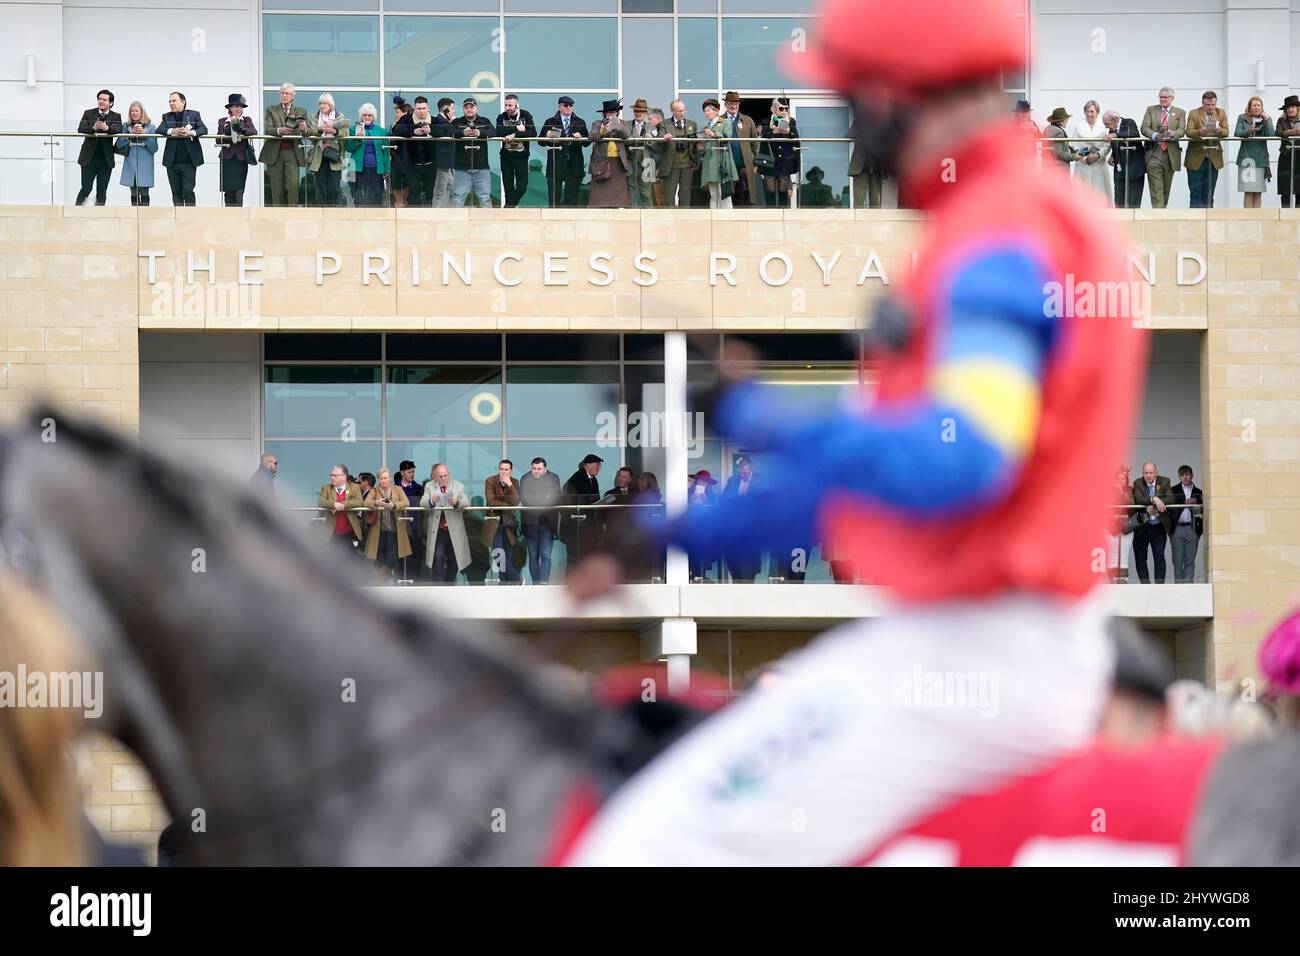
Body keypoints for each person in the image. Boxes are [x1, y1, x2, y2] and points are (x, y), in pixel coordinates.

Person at [566, 0, 1148, 866]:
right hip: (978, 641)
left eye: (844, 100)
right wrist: (665, 533)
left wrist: (744, 411)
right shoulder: (1003, 216)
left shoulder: (1002, 227)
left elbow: (960, 458)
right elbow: (860, 488)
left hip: (982, 651)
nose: (841, 123)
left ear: (889, 95)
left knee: (644, 847)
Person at [260, 83, 311, 207]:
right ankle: (277, 217)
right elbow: (268, 129)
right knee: (276, 188)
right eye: (282, 93)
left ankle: (292, 215)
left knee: (293, 185)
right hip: (274, 153)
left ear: (292, 96)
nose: (284, 95)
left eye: (287, 93)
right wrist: (279, 131)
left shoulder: (301, 111)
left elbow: (305, 132)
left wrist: (304, 129)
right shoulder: (271, 109)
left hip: (293, 152)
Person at [421, 464, 470, 585]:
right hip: (438, 530)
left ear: (449, 474)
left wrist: (456, 501)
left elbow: (466, 501)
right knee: (437, 557)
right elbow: (423, 502)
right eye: (440, 476)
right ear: (435, 476)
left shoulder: (458, 485)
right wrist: (432, 500)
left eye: (445, 476)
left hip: (454, 529)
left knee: (454, 558)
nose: (443, 479)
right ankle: (439, 586)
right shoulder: (429, 486)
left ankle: (449, 585)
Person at [155, 91, 207, 207]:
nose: (171, 103)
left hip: (189, 161)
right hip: (172, 161)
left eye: (174, 101)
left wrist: (190, 132)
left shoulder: (193, 115)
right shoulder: (166, 116)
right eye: (169, 101)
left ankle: (190, 218)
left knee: (188, 191)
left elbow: (203, 129)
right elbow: (159, 129)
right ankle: (178, 218)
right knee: (176, 192)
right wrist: (172, 131)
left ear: (182, 102)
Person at [75, 89, 122, 206]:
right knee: (86, 188)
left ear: (110, 103)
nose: (101, 101)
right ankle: (76, 211)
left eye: (104, 100)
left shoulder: (116, 116)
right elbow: (81, 128)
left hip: (105, 160)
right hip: (88, 158)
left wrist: (107, 129)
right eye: (99, 99)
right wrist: (93, 128)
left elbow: (118, 129)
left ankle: (100, 215)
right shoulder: (88, 113)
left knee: (102, 191)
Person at [519, 457, 562, 584]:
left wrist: (539, 498)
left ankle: (544, 583)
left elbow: (557, 497)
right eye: (533, 468)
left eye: (539, 469)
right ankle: (536, 584)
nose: (536, 471)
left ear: (545, 469)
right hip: (530, 523)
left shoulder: (553, 478)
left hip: (547, 523)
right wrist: (545, 498)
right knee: (533, 557)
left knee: (546, 556)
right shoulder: (526, 478)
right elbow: (525, 499)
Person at [1141, 87, 1185, 209]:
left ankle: (1162, 215)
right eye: (1161, 97)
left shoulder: (1180, 112)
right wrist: (1155, 135)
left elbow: (1182, 130)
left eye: (1166, 97)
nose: (1163, 99)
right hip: (1154, 154)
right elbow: (1144, 127)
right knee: (1156, 190)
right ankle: (1157, 216)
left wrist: (1172, 134)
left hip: (1170, 155)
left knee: (1166, 189)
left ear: (1172, 98)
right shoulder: (1151, 109)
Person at [364, 469, 411, 582]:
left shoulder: (397, 489)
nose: (383, 480)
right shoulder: (374, 491)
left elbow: (406, 502)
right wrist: (376, 503)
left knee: (391, 559)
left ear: (390, 478)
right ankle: (382, 584)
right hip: (379, 532)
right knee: (379, 560)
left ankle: (382, 582)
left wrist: (393, 505)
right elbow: (365, 503)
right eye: (381, 478)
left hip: (395, 531)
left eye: (385, 478)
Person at [540, 96, 588, 207]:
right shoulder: (551, 121)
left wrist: (581, 137)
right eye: (566, 105)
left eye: (571, 105)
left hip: (573, 164)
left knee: (571, 198)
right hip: (556, 163)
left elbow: (587, 143)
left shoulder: (579, 121)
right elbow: (540, 141)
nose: (569, 107)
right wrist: (548, 136)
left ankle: (570, 221)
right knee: (554, 196)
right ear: (559, 107)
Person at [1185, 91, 1229, 209]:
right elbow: (1189, 132)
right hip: (1195, 158)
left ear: (1215, 104)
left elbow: (1226, 131)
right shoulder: (1193, 113)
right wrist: (1200, 131)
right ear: (1202, 104)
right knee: (1195, 194)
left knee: (1209, 194)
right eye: (1207, 105)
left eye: (1212, 105)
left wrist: (1219, 131)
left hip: (1213, 158)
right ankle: (1195, 223)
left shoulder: (1221, 113)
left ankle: (1209, 224)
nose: (1210, 108)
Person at [721, 457, 761, 582]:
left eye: (745, 471)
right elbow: (723, 501)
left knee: (748, 575)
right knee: (735, 573)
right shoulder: (733, 480)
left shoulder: (761, 480)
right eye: (740, 470)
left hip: (751, 533)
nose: (742, 473)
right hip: (733, 532)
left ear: (751, 468)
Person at [483, 459, 523, 584]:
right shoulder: (490, 480)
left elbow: (516, 501)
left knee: (507, 556)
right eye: (501, 469)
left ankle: (504, 584)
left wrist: (510, 485)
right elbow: (491, 501)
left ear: (510, 471)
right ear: (498, 469)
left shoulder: (515, 482)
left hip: (508, 523)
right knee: (498, 554)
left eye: (506, 469)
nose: (503, 472)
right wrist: (508, 505)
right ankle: (517, 579)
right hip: (494, 522)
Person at [1131, 461, 1171, 584]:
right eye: (1146, 473)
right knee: (1140, 558)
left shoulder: (1164, 481)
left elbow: (1171, 498)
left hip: (1158, 526)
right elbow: (1138, 499)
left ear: (1156, 473)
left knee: (1159, 557)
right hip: (1142, 526)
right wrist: (1154, 498)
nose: (1148, 475)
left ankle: (1159, 586)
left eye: (1151, 473)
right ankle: (1145, 586)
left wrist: (1156, 504)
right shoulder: (1138, 482)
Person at [215, 94, 258, 208]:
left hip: (241, 158)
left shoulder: (247, 120)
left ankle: (239, 216)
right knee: (228, 191)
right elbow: (218, 139)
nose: (239, 109)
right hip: (227, 158)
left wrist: (241, 128)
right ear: (230, 108)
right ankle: (229, 217)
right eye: (236, 106)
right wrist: (228, 130)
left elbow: (254, 132)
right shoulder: (222, 121)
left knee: (239, 191)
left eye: (241, 106)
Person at [451, 97, 495, 208]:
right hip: (461, 167)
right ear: (463, 109)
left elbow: (494, 132)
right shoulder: (457, 122)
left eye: (472, 107)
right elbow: (448, 131)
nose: (469, 109)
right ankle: (456, 224)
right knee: (458, 197)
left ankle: (488, 224)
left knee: (485, 197)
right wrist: (462, 132)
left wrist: (480, 132)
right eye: (466, 108)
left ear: (476, 109)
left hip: (482, 167)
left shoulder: (484, 121)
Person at [307, 93, 348, 208]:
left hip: (334, 156)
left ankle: (332, 212)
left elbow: (346, 134)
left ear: (331, 105)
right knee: (320, 187)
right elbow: (309, 135)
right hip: (318, 156)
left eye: (325, 103)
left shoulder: (340, 117)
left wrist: (334, 131)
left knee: (334, 187)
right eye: (320, 103)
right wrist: (319, 130)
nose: (322, 105)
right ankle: (321, 212)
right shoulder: (313, 117)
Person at [588, 99, 632, 208]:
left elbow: (626, 135)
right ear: (604, 113)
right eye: (609, 112)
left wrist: (617, 125)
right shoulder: (597, 123)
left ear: (617, 112)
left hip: (618, 160)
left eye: (613, 112)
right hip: (602, 160)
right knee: (600, 187)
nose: (611, 114)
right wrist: (602, 131)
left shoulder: (622, 123)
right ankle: (598, 206)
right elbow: (591, 137)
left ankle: (619, 206)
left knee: (619, 187)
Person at [758, 97, 800, 208]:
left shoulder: (791, 121)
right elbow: (763, 138)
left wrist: (789, 131)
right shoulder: (766, 121)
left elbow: (796, 139)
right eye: (781, 108)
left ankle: (784, 215)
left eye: (786, 108)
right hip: (770, 160)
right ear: (774, 109)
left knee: (783, 190)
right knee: (770, 190)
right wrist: (774, 132)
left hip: (785, 161)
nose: (784, 111)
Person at [563, 454, 604, 566]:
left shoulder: (593, 480)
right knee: (575, 557)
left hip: (589, 526)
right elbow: (572, 501)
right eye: (597, 465)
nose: (599, 467)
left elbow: (595, 498)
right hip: (576, 526)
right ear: (588, 465)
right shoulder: (576, 479)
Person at [496, 94, 536, 208]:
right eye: (506, 105)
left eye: (510, 105)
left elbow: (533, 132)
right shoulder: (502, 117)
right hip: (506, 156)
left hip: (521, 156)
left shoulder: (525, 115)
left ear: (516, 105)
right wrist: (516, 129)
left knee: (522, 187)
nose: (507, 108)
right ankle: (509, 213)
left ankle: (508, 207)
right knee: (508, 187)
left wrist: (514, 134)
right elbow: (498, 132)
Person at [114, 101, 157, 207]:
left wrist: (144, 135)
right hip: (130, 160)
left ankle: (145, 215)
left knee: (144, 190)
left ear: (142, 112)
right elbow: (118, 144)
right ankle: (134, 213)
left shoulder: (151, 127)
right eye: (132, 111)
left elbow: (154, 148)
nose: (134, 113)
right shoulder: (126, 126)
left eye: (136, 110)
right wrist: (130, 135)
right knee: (133, 190)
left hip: (145, 161)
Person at [722, 92, 761, 207]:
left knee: (745, 193)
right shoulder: (719, 120)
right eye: (730, 104)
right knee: (728, 194)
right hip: (727, 164)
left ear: (738, 104)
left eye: (735, 104)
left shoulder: (748, 120)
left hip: (745, 164)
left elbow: (755, 143)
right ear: (726, 104)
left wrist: (756, 163)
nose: (733, 106)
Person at [317, 463, 364, 557]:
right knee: (332, 560)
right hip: (331, 532)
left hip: (349, 533)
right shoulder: (326, 488)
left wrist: (343, 504)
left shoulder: (354, 487)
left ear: (344, 476)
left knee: (348, 561)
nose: (332, 478)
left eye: (335, 475)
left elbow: (359, 501)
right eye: (331, 475)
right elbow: (321, 501)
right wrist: (334, 504)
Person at [346, 104, 388, 207]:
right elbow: (348, 148)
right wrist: (358, 139)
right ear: (361, 116)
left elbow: (386, 152)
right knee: (358, 196)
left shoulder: (381, 131)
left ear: (374, 117)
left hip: (376, 168)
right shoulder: (353, 129)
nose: (367, 117)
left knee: (376, 195)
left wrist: (387, 169)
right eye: (365, 115)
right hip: (357, 168)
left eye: (370, 115)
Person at [1236, 95, 1274, 209]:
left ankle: (1258, 218)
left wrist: (1268, 119)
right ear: (1249, 107)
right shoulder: (1242, 118)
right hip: (1246, 159)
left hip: (1261, 160)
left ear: (1262, 107)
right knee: (1248, 191)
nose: (1256, 107)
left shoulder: (1265, 119)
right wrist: (1249, 130)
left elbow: (1271, 134)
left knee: (1258, 191)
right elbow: (1237, 133)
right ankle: (1248, 219)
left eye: (1258, 105)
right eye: (1254, 105)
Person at [698, 98, 737, 209]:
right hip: (710, 163)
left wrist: (714, 134)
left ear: (716, 111)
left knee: (724, 193)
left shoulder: (725, 122)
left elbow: (727, 137)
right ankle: (713, 217)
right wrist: (701, 147)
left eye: (708, 110)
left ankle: (727, 218)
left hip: (722, 161)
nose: (706, 113)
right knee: (713, 194)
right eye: (705, 111)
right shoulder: (706, 127)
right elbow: (705, 147)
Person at [660, 99, 698, 208]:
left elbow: (695, 145)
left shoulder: (692, 124)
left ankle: (684, 221)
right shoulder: (664, 124)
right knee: (669, 197)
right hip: (670, 166)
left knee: (685, 196)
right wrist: (664, 137)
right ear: (672, 111)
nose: (682, 113)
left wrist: (696, 162)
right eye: (679, 111)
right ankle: (668, 221)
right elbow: (659, 137)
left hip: (687, 166)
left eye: (683, 110)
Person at [1103, 109, 1145, 208]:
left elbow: (1133, 133)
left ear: (1116, 119)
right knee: (1118, 201)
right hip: (1119, 170)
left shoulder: (1129, 122)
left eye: (1107, 124)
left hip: (1134, 169)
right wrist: (1113, 155)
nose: (1106, 127)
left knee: (1134, 201)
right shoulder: (1111, 129)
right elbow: (1117, 144)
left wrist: (1116, 135)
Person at [1169, 465, 1203, 584]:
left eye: (1187, 474)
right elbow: (1169, 504)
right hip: (1177, 528)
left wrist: (1196, 501)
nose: (1185, 477)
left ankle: (1188, 586)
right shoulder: (1173, 490)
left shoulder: (1199, 492)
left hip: (1192, 528)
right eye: (1182, 475)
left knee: (1190, 559)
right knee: (1177, 559)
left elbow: (1203, 507)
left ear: (1192, 475)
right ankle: (1179, 587)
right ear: (1179, 477)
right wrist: (1184, 502)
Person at [626, 99, 661, 209]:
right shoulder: (626, 125)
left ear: (645, 113)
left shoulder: (653, 128)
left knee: (646, 193)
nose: (638, 113)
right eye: (636, 110)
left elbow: (657, 148)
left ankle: (649, 218)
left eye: (641, 111)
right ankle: (631, 218)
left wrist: (651, 140)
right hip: (630, 161)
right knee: (631, 192)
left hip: (648, 162)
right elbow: (624, 142)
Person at [1071, 100, 1109, 201]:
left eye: (1092, 111)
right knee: (1082, 195)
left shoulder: (1103, 124)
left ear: (1097, 112)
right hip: (1083, 164)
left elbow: (1107, 145)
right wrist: (1085, 157)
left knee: (1099, 194)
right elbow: (1073, 144)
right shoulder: (1079, 124)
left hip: (1099, 163)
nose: (1089, 114)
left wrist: (1097, 155)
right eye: (1087, 111)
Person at [685, 470, 719, 581]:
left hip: (704, 530)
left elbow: (715, 513)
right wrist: (690, 500)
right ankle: (692, 576)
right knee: (690, 555)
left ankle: (700, 576)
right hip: (690, 529)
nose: (702, 483)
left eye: (704, 481)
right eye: (700, 480)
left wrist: (706, 501)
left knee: (702, 556)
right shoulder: (687, 493)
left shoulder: (712, 496)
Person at [395, 459, 424, 582]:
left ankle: (416, 587)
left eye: (413, 472)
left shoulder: (419, 489)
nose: (412, 474)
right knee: (401, 560)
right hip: (400, 528)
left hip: (415, 529)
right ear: (402, 472)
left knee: (416, 559)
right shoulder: (395, 488)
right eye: (409, 472)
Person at [1106, 464, 1134, 583]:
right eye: (1118, 478)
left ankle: (1122, 582)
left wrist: (1122, 493)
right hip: (1111, 525)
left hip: (1125, 525)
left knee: (1123, 557)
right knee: (1112, 556)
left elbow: (1131, 506)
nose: (1120, 481)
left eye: (1123, 479)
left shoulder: (1130, 490)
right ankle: (1112, 581)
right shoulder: (1107, 492)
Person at [849, 115, 885, 209]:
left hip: (876, 166)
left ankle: (875, 220)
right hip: (861, 166)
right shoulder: (861, 121)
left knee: (875, 200)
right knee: (859, 199)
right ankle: (857, 220)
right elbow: (850, 135)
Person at [431, 98, 457, 207]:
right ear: (446, 110)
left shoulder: (446, 121)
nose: (454, 111)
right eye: (452, 108)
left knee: (450, 187)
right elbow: (445, 133)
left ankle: (447, 210)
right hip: (443, 161)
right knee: (440, 189)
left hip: (448, 161)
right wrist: (453, 123)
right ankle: (437, 212)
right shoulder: (439, 120)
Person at [388, 95, 412, 208]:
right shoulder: (399, 124)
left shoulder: (404, 123)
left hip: (403, 158)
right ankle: (400, 202)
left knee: (400, 183)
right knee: (397, 183)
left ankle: (401, 202)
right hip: (399, 157)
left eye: (397, 112)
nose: (395, 115)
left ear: (404, 113)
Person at [1277, 95, 1300, 208]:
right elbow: (1279, 133)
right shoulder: (1281, 120)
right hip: (1286, 155)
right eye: (1288, 108)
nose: (1290, 110)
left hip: (1299, 156)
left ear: (1297, 109)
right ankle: (1285, 213)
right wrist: (1291, 132)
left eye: (1293, 107)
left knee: (1299, 187)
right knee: (1285, 187)